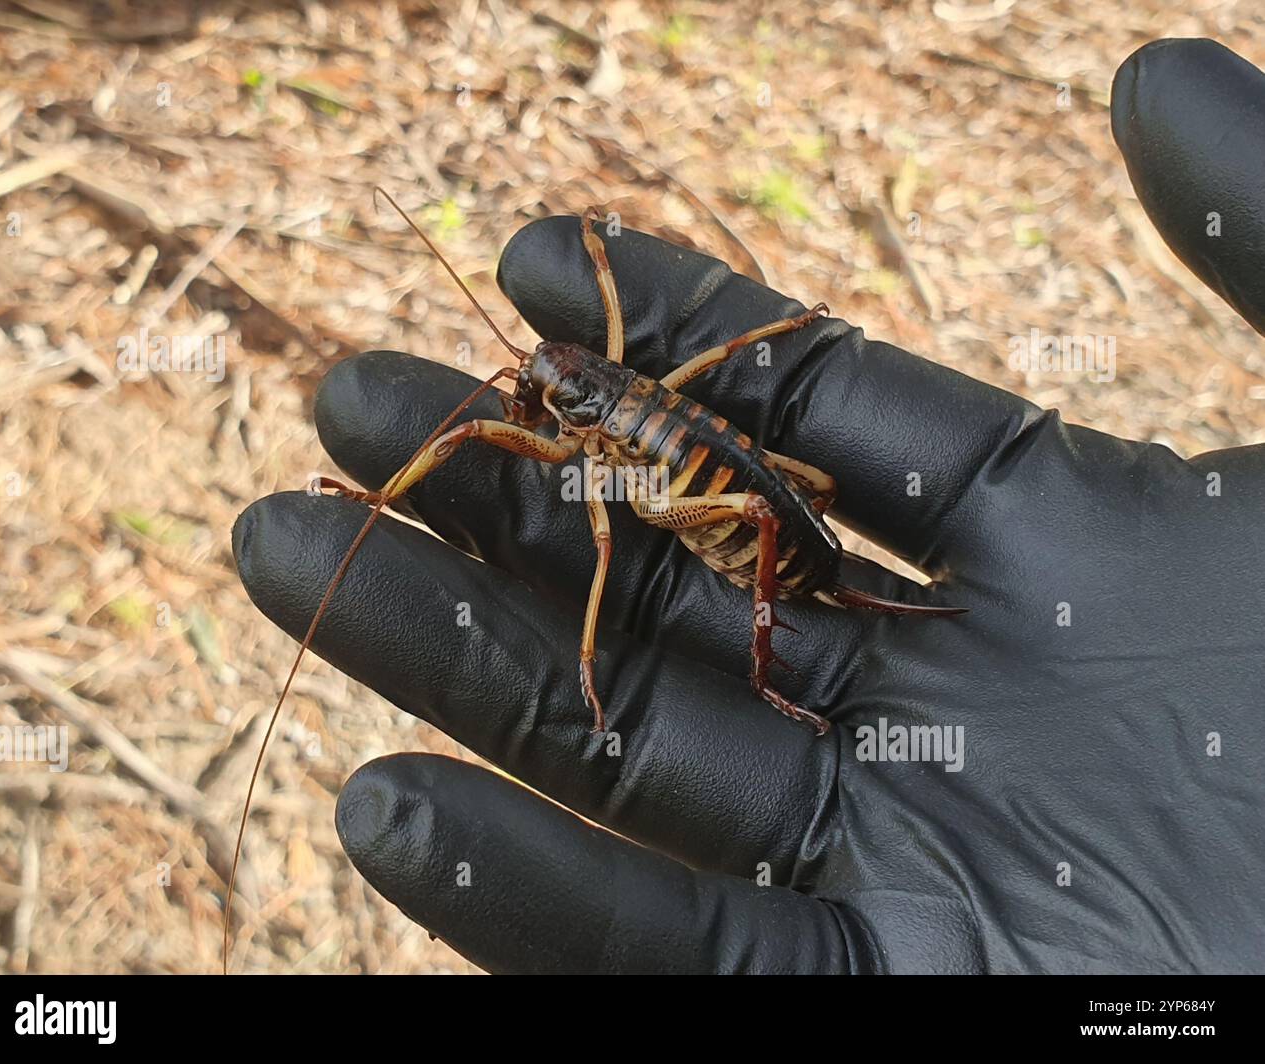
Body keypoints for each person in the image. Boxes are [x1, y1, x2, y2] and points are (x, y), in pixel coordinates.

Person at [233, 39, 1265, 973]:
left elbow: (622, 530)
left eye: (545, 383)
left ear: (574, 390)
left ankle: (760, 654)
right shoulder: (610, 396)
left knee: (611, 535)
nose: (530, 393)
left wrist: (595, 661)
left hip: (739, 521)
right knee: (560, 473)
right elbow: (705, 374)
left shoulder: (607, 424)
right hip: (738, 496)